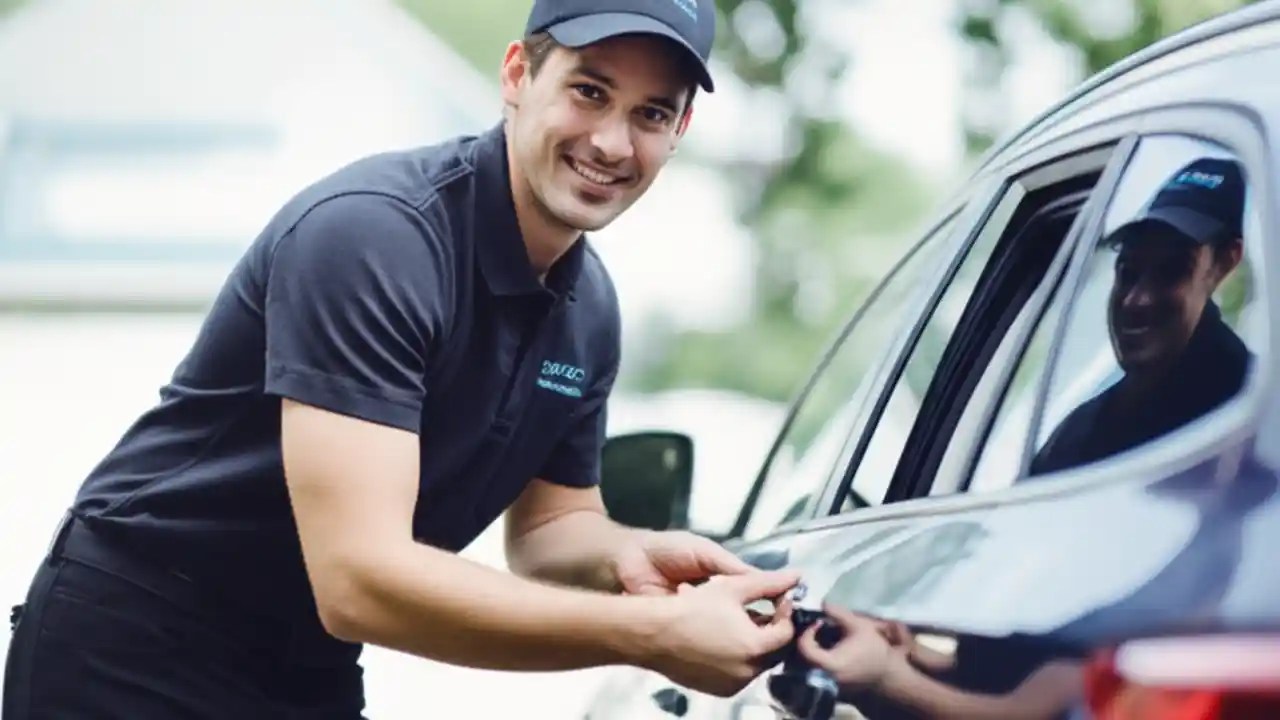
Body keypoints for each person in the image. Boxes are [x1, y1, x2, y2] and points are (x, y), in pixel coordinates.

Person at [1, 0, 800, 716]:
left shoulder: (589, 310)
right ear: (518, 74)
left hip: (309, 664)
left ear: (679, 133)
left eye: (652, 113)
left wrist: (630, 555)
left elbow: (553, 527)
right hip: (135, 645)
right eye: (589, 91)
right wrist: (651, 633)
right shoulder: (375, 239)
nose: (612, 142)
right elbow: (360, 579)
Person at [1031, 157, 1251, 475]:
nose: (1136, 300)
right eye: (1128, 272)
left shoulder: (1248, 421)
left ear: (1224, 263)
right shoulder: (1079, 436)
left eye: (1171, 272)